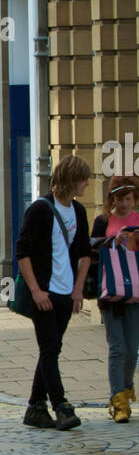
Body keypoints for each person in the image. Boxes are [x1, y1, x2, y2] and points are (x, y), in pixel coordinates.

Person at [16, 154, 93, 431]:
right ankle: (61, 406)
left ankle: (36, 406)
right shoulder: (41, 209)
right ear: (72, 179)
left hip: (66, 292)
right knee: (49, 348)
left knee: (53, 349)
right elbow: (22, 252)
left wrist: (78, 289)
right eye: (84, 178)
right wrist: (36, 291)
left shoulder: (79, 211)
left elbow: (85, 253)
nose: (87, 183)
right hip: (44, 292)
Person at [90, 174, 139, 423]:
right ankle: (118, 401)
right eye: (119, 199)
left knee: (132, 350)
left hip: (135, 293)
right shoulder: (103, 221)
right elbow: (90, 249)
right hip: (110, 293)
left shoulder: (138, 220)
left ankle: (127, 385)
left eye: (128, 199)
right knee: (117, 348)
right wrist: (113, 241)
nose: (124, 204)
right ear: (112, 199)